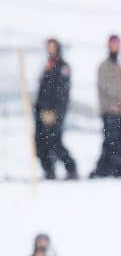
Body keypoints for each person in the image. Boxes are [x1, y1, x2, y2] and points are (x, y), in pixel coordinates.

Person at [34, 38, 78, 180]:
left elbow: (62, 92)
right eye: (48, 47)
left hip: (55, 112)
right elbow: (42, 91)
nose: (50, 50)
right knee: (41, 142)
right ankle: (49, 169)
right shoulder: (47, 66)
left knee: (54, 141)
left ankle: (71, 167)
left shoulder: (63, 67)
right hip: (41, 111)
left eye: (52, 47)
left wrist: (55, 111)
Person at [92, 33, 121, 178]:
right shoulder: (104, 66)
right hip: (110, 110)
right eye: (113, 43)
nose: (115, 46)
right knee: (110, 142)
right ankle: (102, 171)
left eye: (117, 43)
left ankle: (119, 171)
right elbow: (108, 87)